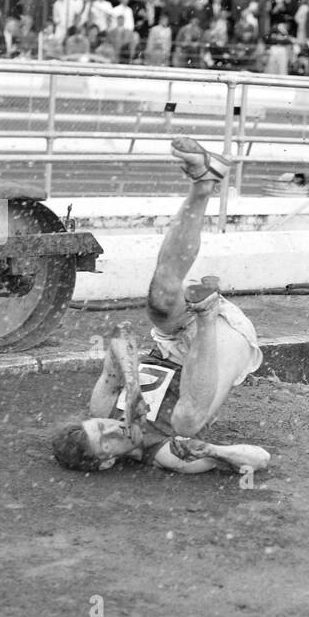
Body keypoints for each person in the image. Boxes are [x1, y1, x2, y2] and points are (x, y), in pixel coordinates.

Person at [53, 137, 269, 475]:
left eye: (99, 425)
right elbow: (260, 459)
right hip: (222, 343)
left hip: (177, 337)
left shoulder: (104, 408)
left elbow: (120, 339)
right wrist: (213, 450)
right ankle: (208, 311)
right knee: (185, 423)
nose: (111, 428)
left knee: (159, 300)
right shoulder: (163, 452)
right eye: (106, 440)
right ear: (107, 461)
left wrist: (133, 388)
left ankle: (203, 183)